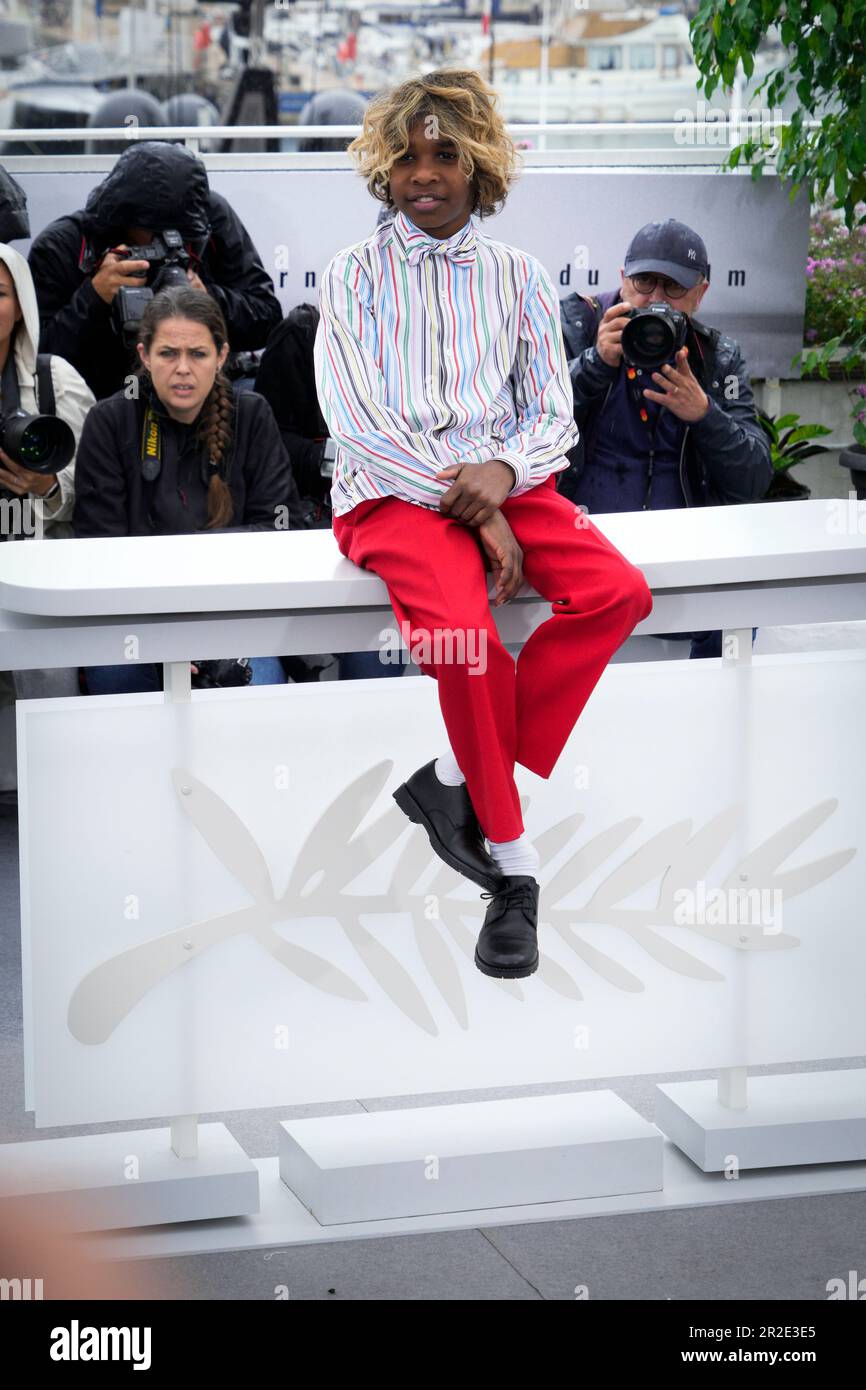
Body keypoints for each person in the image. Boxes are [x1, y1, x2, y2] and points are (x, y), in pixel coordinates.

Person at [314, 69, 653, 980]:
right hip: (389, 491)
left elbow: (552, 414)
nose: (425, 174)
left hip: (505, 480)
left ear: (480, 165)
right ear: (384, 165)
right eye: (408, 157)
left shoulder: (518, 276)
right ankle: (514, 871)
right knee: (466, 639)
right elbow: (354, 421)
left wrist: (500, 482)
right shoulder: (352, 275)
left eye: (446, 156)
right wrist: (469, 506)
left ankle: (463, 780)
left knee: (618, 593)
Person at [559, 218, 771, 659]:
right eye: (644, 282)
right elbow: (527, 427)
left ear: (701, 293)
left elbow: (753, 477)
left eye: (674, 287)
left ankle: (711, 718)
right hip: (581, 541)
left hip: (683, 549)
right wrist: (594, 364)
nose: (655, 300)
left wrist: (705, 414)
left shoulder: (716, 357)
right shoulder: (577, 326)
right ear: (622, 278)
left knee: (735, 614)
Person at [73, 285, 298, 694]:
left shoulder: (252, 414)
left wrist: (204, 631)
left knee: (258, 690)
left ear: (222, 356)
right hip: (134, 623)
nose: (182, 368)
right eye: (167, 354)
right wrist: (167, 637)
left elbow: (280, 532)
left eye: (197, 354)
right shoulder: (109, 421)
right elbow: (97, 551)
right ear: (143, 356)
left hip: (233, 617)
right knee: (115, 677)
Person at [28, 141, 282, 402]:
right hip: (105, 392)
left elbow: (267, 318)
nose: (171, 242)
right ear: (124, 222)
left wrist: (211, 300)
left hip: (200, 386)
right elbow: (38, 359)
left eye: (181, 236)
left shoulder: (208, 219)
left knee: (254, 402)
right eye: (157, 235)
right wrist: (93, 298)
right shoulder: (65, 246)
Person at [0, 241, 95, 805]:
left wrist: (48, 486)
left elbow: (95, 482)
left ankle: (56, 804)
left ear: (21, 307)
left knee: (52, 723)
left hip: (38, 572)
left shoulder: (53, 380)